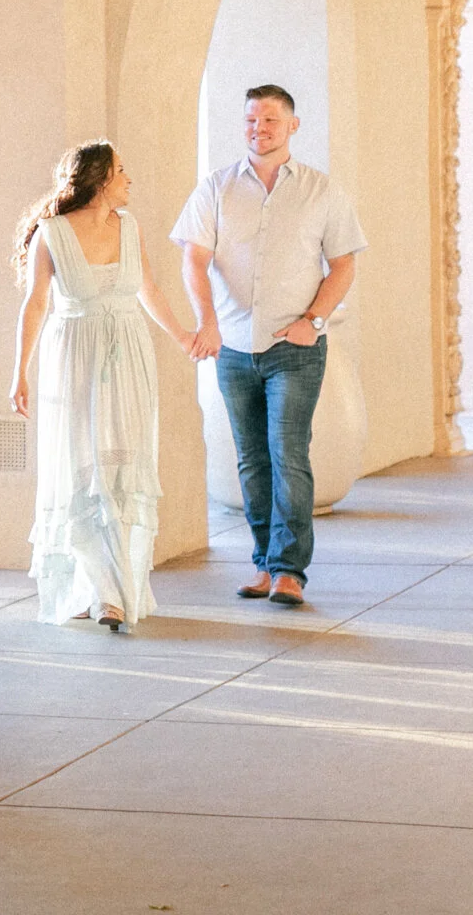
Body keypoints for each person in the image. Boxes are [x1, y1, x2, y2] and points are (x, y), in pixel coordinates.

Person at [174, 85, 367, 609]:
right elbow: (195, 258)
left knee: (288, 454)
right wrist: (206, 323)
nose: (259, 129)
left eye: (270, 121)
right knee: (251, 461)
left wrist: (315, 318)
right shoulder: (215, 188)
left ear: (293, 126)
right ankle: (262, 562)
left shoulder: (321, 192)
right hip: (234, 348)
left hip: (295, 349)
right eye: (251, 120)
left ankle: (288, 571)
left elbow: (344, 263)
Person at [10, 140, 204, 632]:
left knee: (123, 467)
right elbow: (35, 304)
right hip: (74, 358)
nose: (129, 179)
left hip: (129, 360)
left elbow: (149, 290)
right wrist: (20, 372)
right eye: (121, 170)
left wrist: (183, 337)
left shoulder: (130, 227)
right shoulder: (50, 235)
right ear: (99, 179)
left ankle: (113, 590)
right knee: (80, 470)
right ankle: (105, 593)